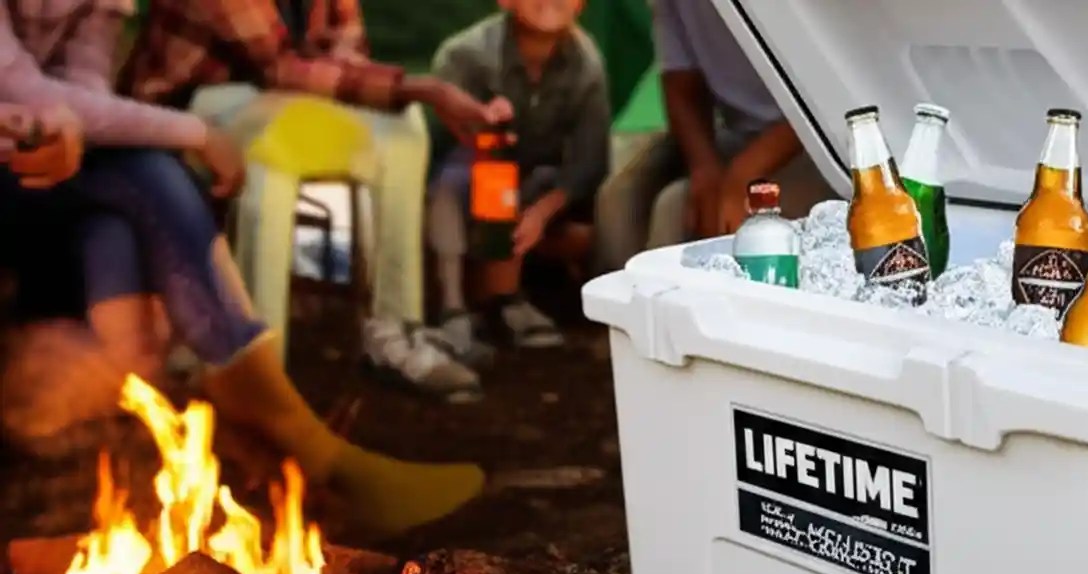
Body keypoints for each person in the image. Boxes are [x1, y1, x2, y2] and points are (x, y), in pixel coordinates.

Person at [0, 1, 484, 537]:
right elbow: (28, 91)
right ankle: (299, 441)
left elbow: (79, 89)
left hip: (64, 152)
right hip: (118, 135)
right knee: (148, 174)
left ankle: (117, 474)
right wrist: (195, 133)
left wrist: (60, 127)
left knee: (116, 218)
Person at [118, 0, 513, 398]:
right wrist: (423, 88)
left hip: (280, 95)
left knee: (404, 127)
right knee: (278, 147)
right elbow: (279, 66)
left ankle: (395, 330)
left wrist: (409, 95)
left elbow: (347, 54)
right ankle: (258, 360)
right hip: (182, 118)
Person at [593, 0, 836, 271]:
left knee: (672, 210)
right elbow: (680, 82)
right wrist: (704, 170)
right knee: (618, 199)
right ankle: (619, 305)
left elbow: (830, 95)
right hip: (734, 133)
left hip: (815, 143)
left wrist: (739, 178)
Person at [427, 0, 609, 352]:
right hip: (469, 184)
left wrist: (542, 212)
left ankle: (507, 298)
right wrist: (483, 124)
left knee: (568, 206)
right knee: (465, 178)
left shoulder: (586, 64)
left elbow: (589, 159)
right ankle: (452, 308)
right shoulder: (466, 55)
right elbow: (443, 140)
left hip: (534, 186)